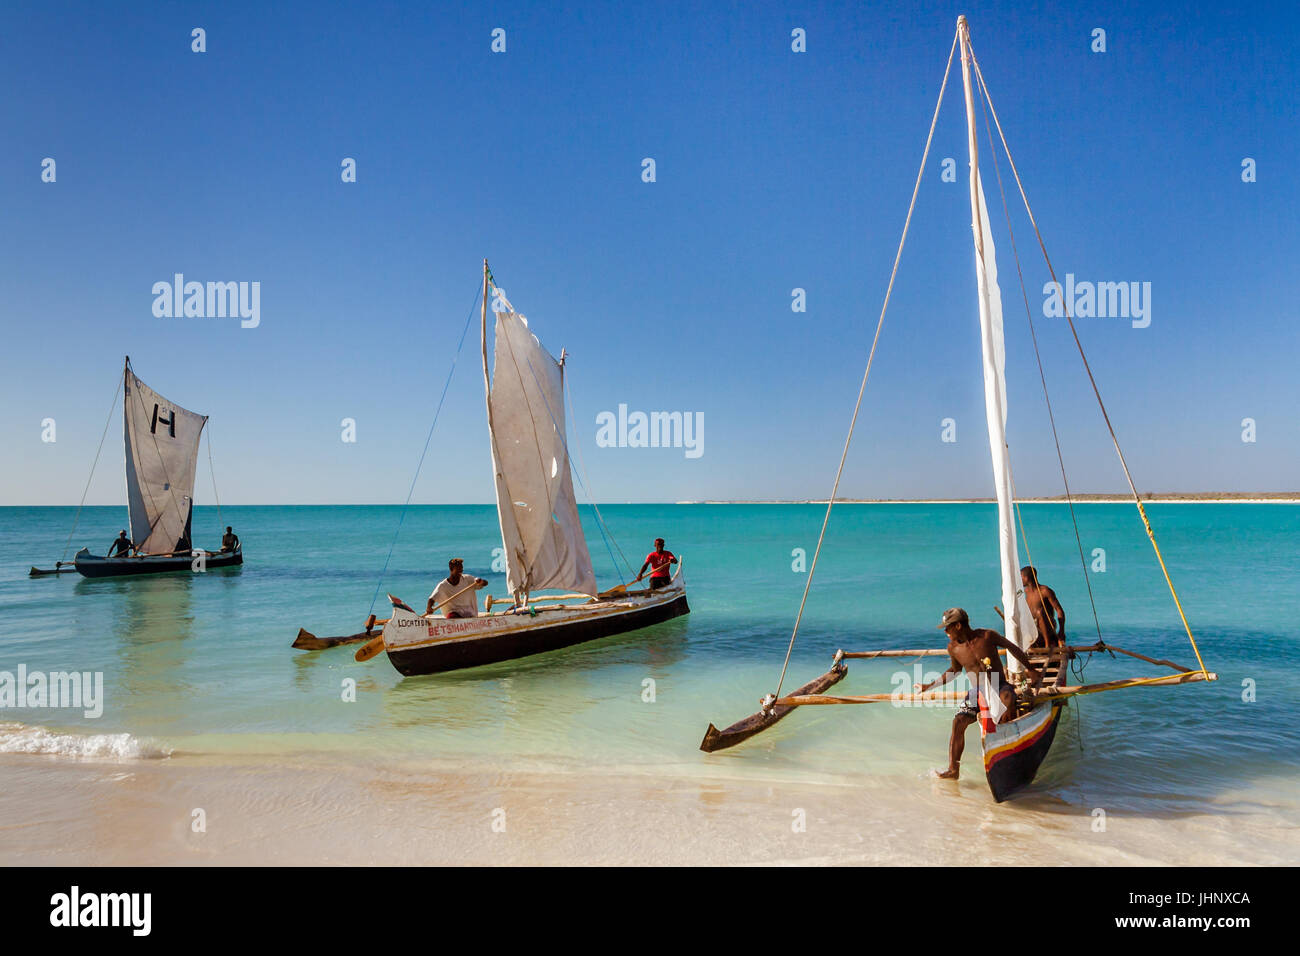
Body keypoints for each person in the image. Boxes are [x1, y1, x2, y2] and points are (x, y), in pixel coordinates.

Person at [916, 607, 1043, 781]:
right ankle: (953, 770)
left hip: (999, 685)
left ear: (958, 626)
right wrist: (929, 686)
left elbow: (1012, 647)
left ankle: (1009, 750)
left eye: (948, 627)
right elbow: (954, 670)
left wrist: (1031, 669)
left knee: (1009, 700)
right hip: (978, 691)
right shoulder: (953, 648)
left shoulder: (987, 636)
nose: (945, 631)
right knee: (958, 722)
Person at [1021, 566, 1065, 649]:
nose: (1020, 580)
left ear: (1026, 578)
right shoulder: (1025, 592)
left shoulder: (1045, 591)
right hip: (1034, 627)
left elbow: (1059, 610)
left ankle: (1047, 645)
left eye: (1021, 577)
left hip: (1048, 626)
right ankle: (1030, 645)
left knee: (1040, 612)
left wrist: (1061, 631)